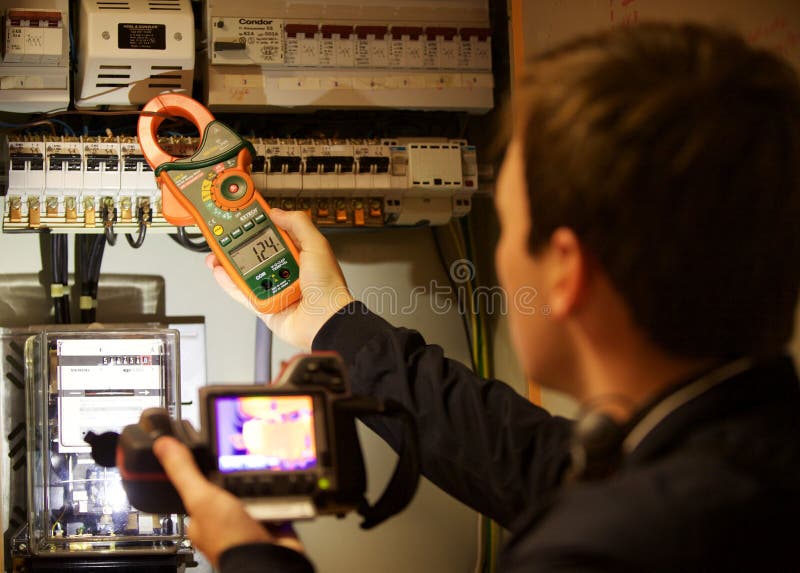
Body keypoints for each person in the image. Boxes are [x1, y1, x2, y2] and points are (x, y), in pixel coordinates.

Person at [153, 22, 800, 572]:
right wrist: (328, 321)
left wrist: (254, 559)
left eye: (511, 223)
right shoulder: (731, 453)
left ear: (566, 271)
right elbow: (518, 454)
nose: (502, 252)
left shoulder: (608, 549)